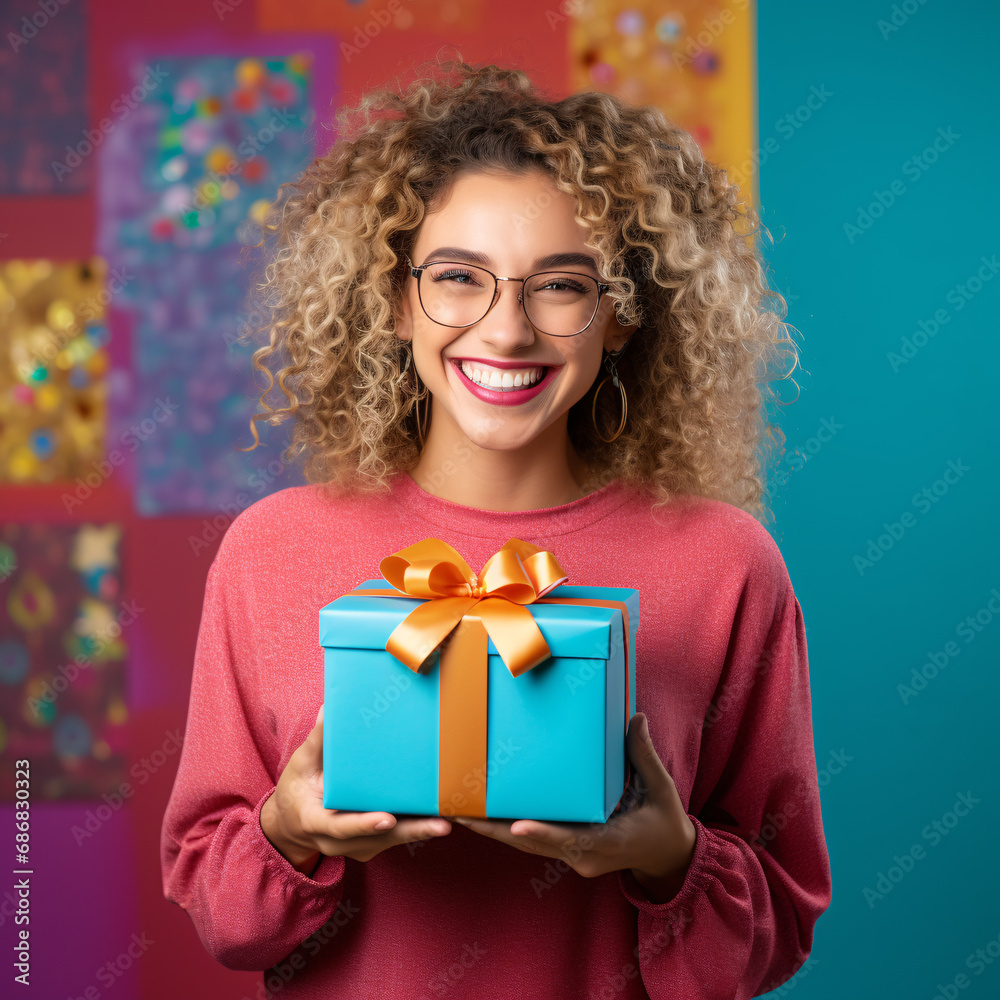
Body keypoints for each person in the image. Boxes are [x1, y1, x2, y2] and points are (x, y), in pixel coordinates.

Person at [160, 56, 831, 999]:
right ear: (394, 300)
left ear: (622, 317)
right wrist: (289, 830)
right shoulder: (271, 552)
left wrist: (669, 855)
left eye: (560, 286)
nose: (506, 330)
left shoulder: (725, 566)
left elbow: (776, 929)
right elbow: (222, 917)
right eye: (458, 278)